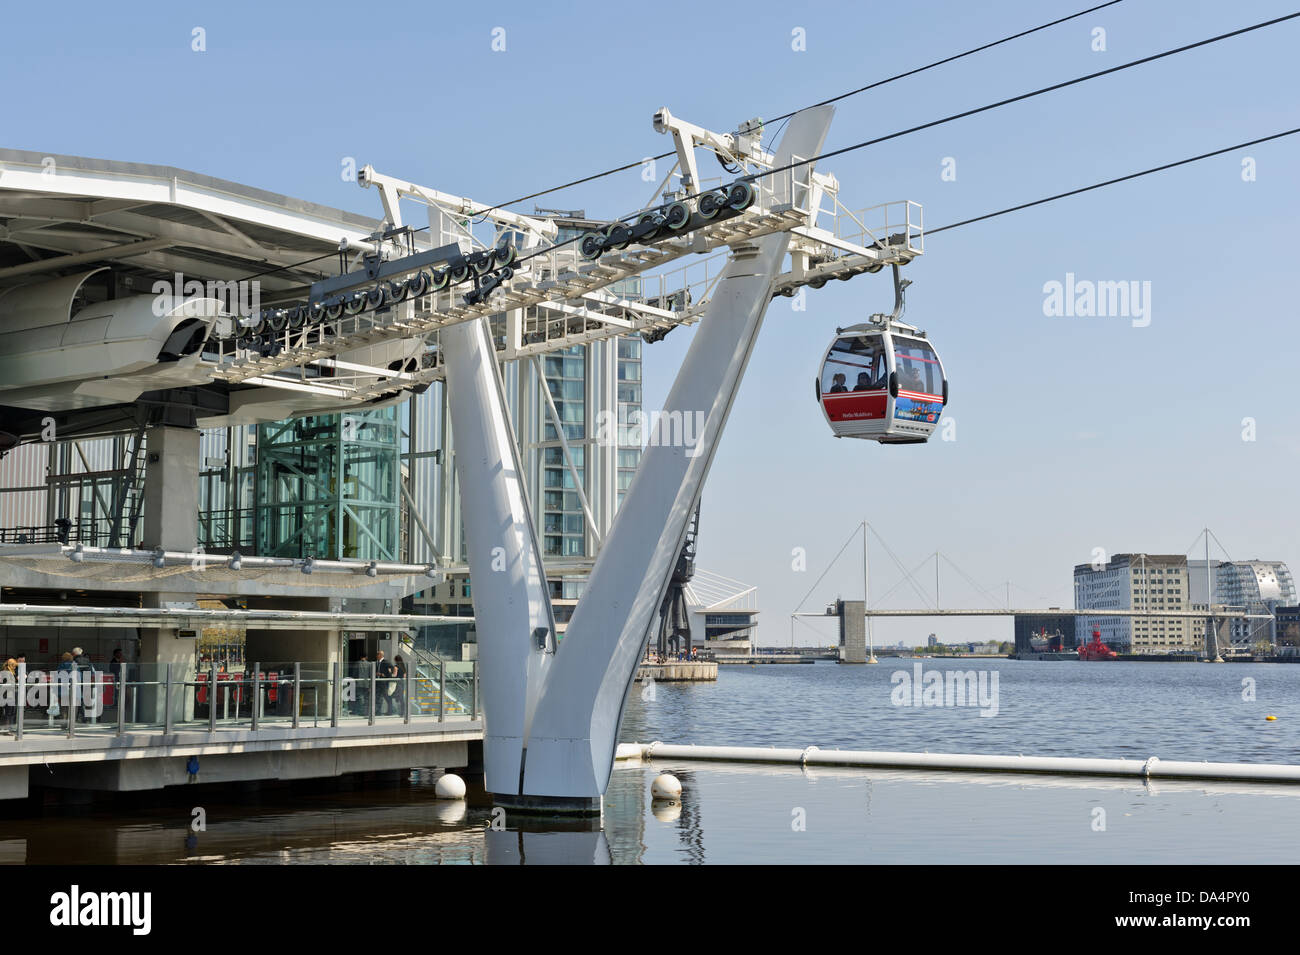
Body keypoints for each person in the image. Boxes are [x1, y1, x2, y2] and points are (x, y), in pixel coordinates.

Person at [374, 650, 394, 716]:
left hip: (384, 683)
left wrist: (385, 674)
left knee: (387, 697)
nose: (376, 655)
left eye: (377, 654)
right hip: (378, 682)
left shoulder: (386, 662)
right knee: (378, 697)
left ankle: (390, 711)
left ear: (381, 655)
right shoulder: (377, 662)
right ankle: (378, 711)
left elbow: (393, 668)